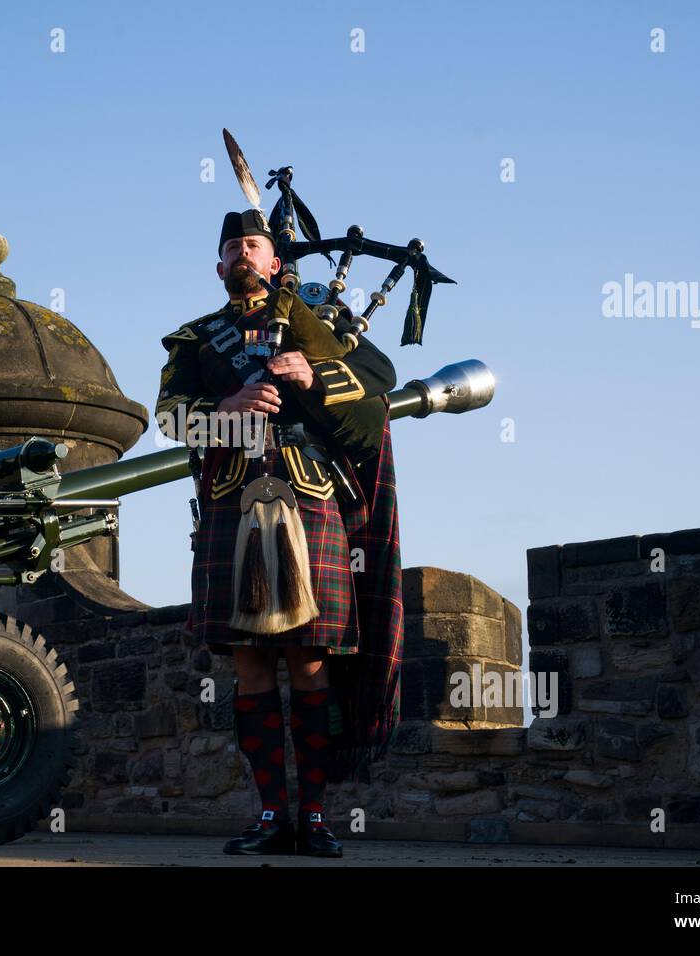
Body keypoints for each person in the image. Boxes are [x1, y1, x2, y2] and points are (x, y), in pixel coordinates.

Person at [155, 209, 405, 857]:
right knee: (251, 662)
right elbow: (171, 419)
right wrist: (225, 411)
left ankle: (315, 817)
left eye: (254, 244)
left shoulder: (314, 324)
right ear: (219, 267)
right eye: (233, 245)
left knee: (311, 659)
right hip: (234, 498)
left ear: (274, 262)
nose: (242, 251)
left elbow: (379, 384)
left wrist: (313, 376)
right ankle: (271, 816)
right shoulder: (195, 339)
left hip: (309, 494)